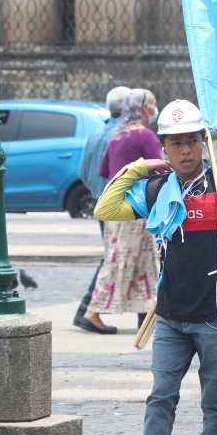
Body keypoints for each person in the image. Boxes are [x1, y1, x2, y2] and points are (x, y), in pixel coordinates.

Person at [95, 99, 217, 435]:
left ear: (204, 142)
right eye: (175, 144)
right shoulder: (157, 189)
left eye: (191, 142)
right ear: (163, 147)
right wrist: (139, 168)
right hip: (169, 316)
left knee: (215, 402)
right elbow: (106, 207)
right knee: (161, 395)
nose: (185, 151)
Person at [82, 88, 161, 333]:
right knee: (121, 261)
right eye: (153, 104)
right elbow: (158, 168)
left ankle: (148, 312)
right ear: (144, 108)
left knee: (143, 263)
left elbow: (105, 170)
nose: (155, 108)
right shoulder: (145, 136)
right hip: (134, 210)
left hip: (116, 209)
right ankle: (92, 310)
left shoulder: (117, 135)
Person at [73, 85, 130, 335]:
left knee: (114, 255)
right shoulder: (124, 135)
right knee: (114, 257)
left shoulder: (97, 134)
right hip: (119, 205)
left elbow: (83, 173)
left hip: (100, 201)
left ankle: (89, 310)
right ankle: (88, 309)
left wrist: (99, 192)